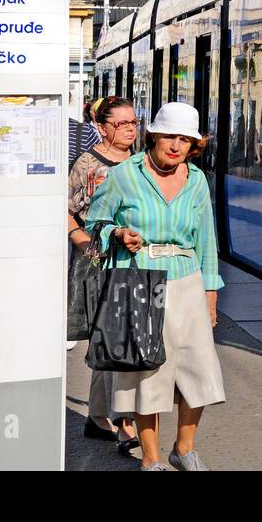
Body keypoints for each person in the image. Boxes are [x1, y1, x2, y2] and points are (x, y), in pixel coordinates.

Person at [86, 101, 225, 471]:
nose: (176, 146)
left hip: (187, 278)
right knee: (147, 372)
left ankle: (184, 448)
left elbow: (207, 240)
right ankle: (151, 458)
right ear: (154, 136)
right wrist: (117, 232)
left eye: (185, 140)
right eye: (169, 137)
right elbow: (93, 222)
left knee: (199, 371)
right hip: (140, 278)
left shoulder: (196, 180)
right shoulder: (124, 175)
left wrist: (211, 295)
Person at [67, 96, 139, 452]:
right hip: (98, 259)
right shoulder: (87, 163)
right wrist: (82, 242)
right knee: (111, 334)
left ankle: (100, 415)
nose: (129, 130)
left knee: (118, 334)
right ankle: (121, 420)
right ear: (102, 126)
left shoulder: (143, 164)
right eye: (121, 124)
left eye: (133, 123)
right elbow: (64, 209)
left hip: (135, 260)